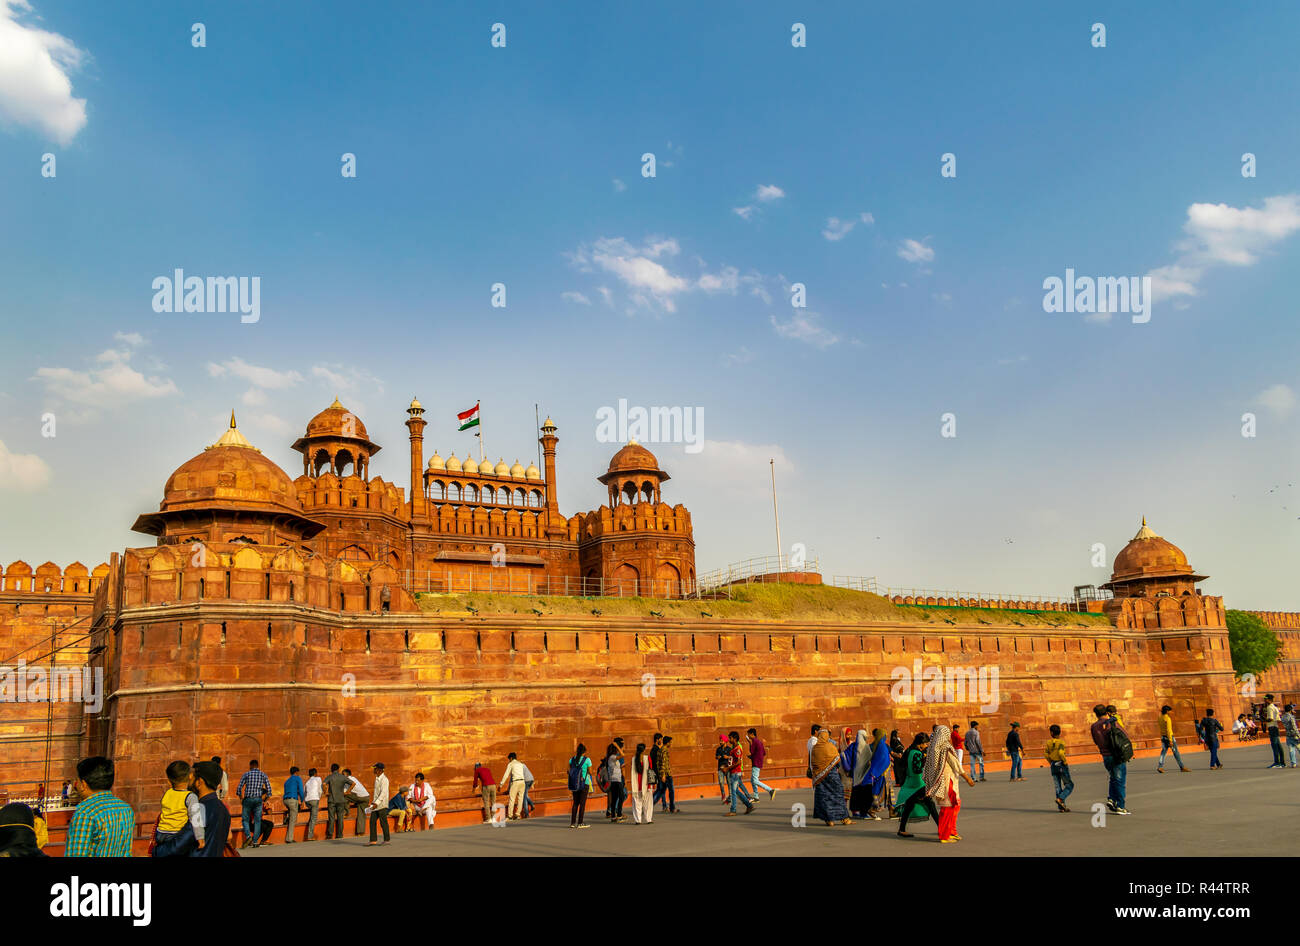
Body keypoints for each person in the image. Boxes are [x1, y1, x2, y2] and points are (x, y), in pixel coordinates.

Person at [155, 760, 230, 858]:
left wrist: (156, 851)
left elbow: (177, 846)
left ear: (199, 782)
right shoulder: (222, 809)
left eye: (190, 778)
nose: (187, 782)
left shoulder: (199, 808)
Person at [65, 756, 136, 857]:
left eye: (77, 781)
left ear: (83, 784)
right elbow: (126, 852)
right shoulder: (125, 809)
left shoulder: (85, 813)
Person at [926, 724, 976, 842]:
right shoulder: (945, 747)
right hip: (948, 782)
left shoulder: (933, 747)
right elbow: (956, 765)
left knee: (953, 806)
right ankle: (944, 836)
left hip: (942, 781)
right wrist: (967, 778)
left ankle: (951, 832)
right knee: (948, 808)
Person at [152, 760, 202, 856]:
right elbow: (196, 818)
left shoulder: (168, 793)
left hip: (160, 833)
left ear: (169, 780)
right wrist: (200, 838)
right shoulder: (190, 796)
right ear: (190, 776)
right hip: (175, 834)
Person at [895, 733, 940, 839]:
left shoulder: (909, 750)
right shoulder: (917, 753)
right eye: (926, 744)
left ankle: (902, 829)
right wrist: (925, 763)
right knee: (930, 805)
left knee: (909, 806)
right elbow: (917, 770)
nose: (926, 746)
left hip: (910, 782)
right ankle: (942, 828)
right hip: (918, 784)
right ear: (921, 743)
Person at [1091, 703, 1130, 815]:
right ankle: (1120, 806)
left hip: (1105, 756)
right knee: (1120, 781)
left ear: (1096, 714)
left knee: (1113, 778)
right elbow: (1125, 735)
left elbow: (1096, 741)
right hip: (1116, 755)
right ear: (1106, 712)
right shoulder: (1111, 723)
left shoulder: (1094, 726)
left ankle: (1112, 799)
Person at [809, 728, 852, 825]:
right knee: (838, 796)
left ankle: (829, 820)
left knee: (824, 798)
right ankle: (844, 819)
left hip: (820, 778)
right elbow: (838, 762)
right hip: (833, 777)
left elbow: (813, 763)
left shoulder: (815, 748)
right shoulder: (831, 747)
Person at [236, 759, 271, 849]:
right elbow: (269, 790)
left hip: (248, 799)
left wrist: (241, 798)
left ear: (250, 766)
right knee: (257, 821)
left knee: (245, 819)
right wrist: (265, 799)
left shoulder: (246, 774)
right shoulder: (263, 774)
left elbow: (239, 788)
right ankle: (255, 842)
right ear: (258, 766)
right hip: (258, 799)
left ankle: (248, 837)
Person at [865, 728, 894, 819]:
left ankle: (892, 811)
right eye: (884, 735)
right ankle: (872, 810)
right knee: (883, 793)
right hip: (882, 774)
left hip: (883, 772)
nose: (886, 737)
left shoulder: (877, 745)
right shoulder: (882, 746)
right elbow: (882, 760)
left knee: (889, 793)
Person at [725, 731, 756, 816]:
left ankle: (733, 810)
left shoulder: (737, 749)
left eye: (730, 738)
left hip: (735, 772)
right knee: (736, 791)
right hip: (733, 772)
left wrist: (728, 768)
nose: (729, 740)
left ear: (735, 739)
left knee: (733, 791)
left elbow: (739, 762)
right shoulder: (733, 748)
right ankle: (749, 805)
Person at [1044, 724, 1074, 812]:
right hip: (1061, 764)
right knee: (1069, 785)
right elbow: (1061, 753)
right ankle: (1061, 799)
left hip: (1053, 765)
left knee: (1058, 786)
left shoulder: (1048, 743)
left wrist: (1050, 762)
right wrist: (1065, 761)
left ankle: (1061, 807)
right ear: (1059, 732)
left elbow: (1046, 754)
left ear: (1051, 733)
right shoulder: (1061, 742)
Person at [844, 729, 873, 817]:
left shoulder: (853, 746)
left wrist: (848, 768)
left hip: (855, 773)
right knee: (863, 793)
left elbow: (845, 755)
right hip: (864, 774)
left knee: (856, 792)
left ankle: (855, 810)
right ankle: (863, 812)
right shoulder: (866, 747)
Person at [1156, 706, 1190, 774]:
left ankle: (1160, 766)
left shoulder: (1159, 718)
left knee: (1163, 752)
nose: (1171, 712)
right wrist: (1170, 740)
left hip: (1163, 737)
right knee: (1176, 752)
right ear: (1167, 711)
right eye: (1170, 711)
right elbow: (1168, 730)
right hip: (1169, 737)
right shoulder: (1168, 719)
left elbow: (1160, 728)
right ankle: (1182, 767)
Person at [628, 742, 655, 824]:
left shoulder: (633, 759)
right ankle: (648, 819)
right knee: (648, 803)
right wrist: (652, 785)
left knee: (637, 803)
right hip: (646, 784)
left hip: (636, 785)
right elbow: (651, 771)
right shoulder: (647, 758)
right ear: (644, 750)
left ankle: (638, 820)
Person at [745, 728, 776, 800]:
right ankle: (756, 797)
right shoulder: (759, 742)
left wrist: (749, 743)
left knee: (755, 780)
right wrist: (754, 756)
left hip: (756, 763)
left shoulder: (754, 741)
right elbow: (763, 753)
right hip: (758, 762)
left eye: (748, 734)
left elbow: (752, 751)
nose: (748, 736)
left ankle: (770, 790)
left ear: (752, 734)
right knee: (753, 780)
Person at [568, 743, 593, 828]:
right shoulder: (587, 760)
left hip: (574, 784)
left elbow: (568, 770)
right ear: (584, 752)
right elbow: (591, 772)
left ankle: (572, 823)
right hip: (584, 783)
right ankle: (580, 823)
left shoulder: (572, 759)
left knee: (575, 803)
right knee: (582, 804)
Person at [367, 762, 391, 845]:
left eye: (375, 769)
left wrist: (376, 803)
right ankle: (373, 840)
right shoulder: (377, 779)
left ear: (380, 770)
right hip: (376, 804)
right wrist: (373, 803)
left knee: (383, 822)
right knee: (372, 821)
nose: (374, 770)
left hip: (382, 804)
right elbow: (376, 793)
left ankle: (387, 840)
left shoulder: (384, 780)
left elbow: (383, 793)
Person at [323, 763, 349, 839]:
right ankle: (340, 834)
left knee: (331, 818)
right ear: (338, 769)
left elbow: (324, 784)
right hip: (341, 800)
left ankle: (330, 834)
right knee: (340, 818)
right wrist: (347, 792)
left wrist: (325, 792)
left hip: (331, 800)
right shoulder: (342, 777)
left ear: (331, 769)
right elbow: (353, 783)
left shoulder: (330, 777)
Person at [653, 734, 677, 813]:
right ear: (667, 743)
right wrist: (663, 775)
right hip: (666, 774)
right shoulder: (664, 750)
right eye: (670, 742)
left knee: (661, 791)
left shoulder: (660, 750)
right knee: (671, 791)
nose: (671, 744)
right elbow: (663, 763)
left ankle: (649, 805)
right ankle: (672, 808)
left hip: (662, 774)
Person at [604, 739, 627, 821]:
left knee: (614, 798)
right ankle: (619, 814)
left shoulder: (610, 757)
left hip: (614, 780)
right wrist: (617, 746)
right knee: (621, 797)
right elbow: (622, 754)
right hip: (617, 780)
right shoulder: (613, 757)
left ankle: (613, 816)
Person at [343, 767, 370, 835]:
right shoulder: (354, 778)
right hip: (366, 797)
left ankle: (346, 813)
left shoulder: (347, 779)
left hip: (360, 798)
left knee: (344, 796)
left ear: (346, 774)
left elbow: (345, 793)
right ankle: (360, 832)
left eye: (343, 774)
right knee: (361, 815)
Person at [501, 752, 528, 821]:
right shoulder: (520, 764)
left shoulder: (511, 764)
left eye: (509, 759)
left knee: (512, 799)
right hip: (522, 782)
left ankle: (510, 816)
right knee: (520, 799)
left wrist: (501, 784)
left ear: (511, 758)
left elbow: (506, 775)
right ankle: (517, 815)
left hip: (515, 782)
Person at [282, 765, 305, 842]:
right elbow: (301, 790)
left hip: (285, 800)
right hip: (292, 800)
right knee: (293, 820)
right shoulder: (298, 778)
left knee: (291, 815)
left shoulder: (287, 781)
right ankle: (289, 839)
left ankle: (287, 819)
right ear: (296, 772)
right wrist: (302, 801)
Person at [1263, 694, 1285, 768]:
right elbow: (1278, 718)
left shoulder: (1269, 707)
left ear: (1269, 700)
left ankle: (1277, 762)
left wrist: (1264, 720)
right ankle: (1282, 762)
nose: (1264, 700)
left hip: (1272, 727)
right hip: (1275, 727)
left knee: (1274, 745)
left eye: (1265, 699)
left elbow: (1270, 719)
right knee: (1278, 745)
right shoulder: (1275, 707)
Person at [302, 767, 323, 841]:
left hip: (307, 801)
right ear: (315, 773)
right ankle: (310, 836)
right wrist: (318, 797)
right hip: (314, 799)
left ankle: (309, 834)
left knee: (312, 816)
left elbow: (304, 792)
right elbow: (320, 790)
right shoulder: (318, 779)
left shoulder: (307, 782)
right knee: (313, 818)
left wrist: (305, 801)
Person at [716, 734, 732, 804]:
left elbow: (732, 757)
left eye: (722, 741)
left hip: (727, 768)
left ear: (725, 741)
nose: (720, 742)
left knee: (729, 782)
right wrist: (718, 757)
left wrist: (727, 757)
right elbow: (716, 757)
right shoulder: (718, 749)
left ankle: (730, 796)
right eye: (720, 740)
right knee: (721, 782)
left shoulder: (729, 749)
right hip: (720, 768)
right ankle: (723, 795)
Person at [1283, 703, 1300, 768]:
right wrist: (1299, 735)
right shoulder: (1291, 717)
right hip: (1294, 735)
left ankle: (1293, 763)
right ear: (1290, 710)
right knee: (1299, 747)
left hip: (1288, 734)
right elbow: (1294, 727)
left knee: (1291, 750)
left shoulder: (1283, 717)